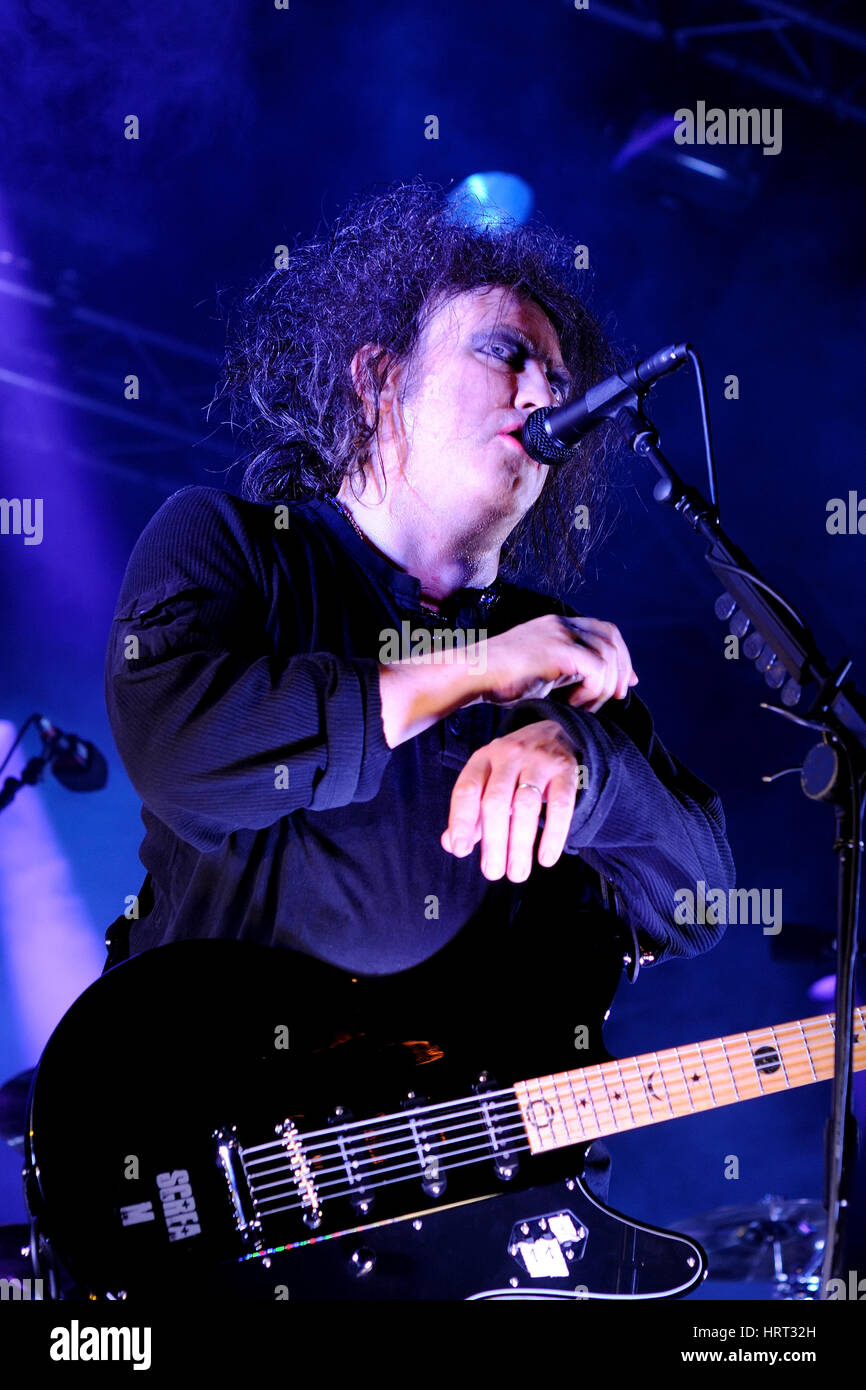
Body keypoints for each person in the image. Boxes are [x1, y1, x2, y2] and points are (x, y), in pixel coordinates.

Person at [103, 180, 735, 1212]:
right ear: (378, 377)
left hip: (458, 1223)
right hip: (220, 1158)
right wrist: (475, 672)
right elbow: (183, 753)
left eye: (557, 377)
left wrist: (589, 759)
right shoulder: (230, 545)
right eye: (503, 354)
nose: (541, 396)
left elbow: (700, 901)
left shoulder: (553, 656)